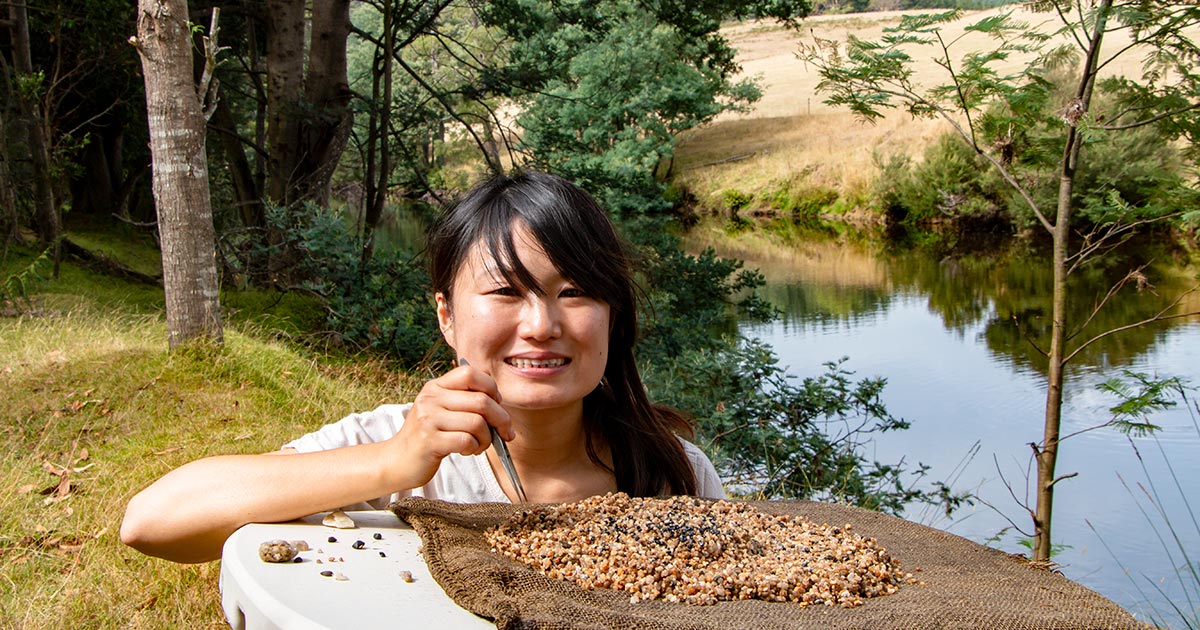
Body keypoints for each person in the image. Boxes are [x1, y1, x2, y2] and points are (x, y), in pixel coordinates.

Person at [120, 170, 725, 564]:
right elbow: (153, 521)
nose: (542, 324)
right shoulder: (389, 449)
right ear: (447, 318)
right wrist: (393, 461)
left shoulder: (673, 472)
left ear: (612, 316)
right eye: (505, 292)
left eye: (574, 293)